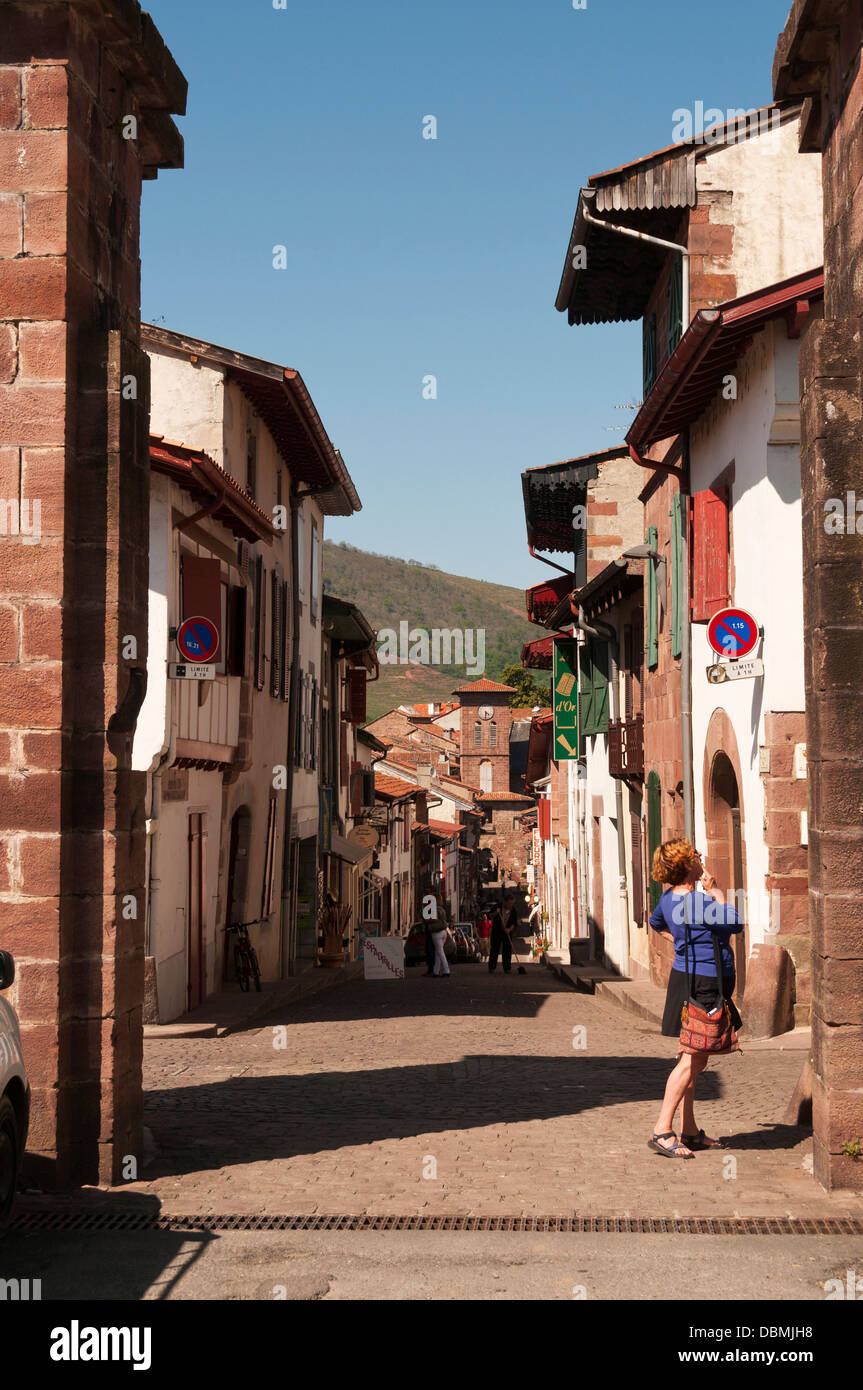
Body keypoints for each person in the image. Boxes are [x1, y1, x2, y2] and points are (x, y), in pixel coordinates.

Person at [647, 838, 743, 1159]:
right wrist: (715, 891)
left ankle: (688, 1130)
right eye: (696, 857)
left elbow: (655, 922)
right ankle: (663, 1130)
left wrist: (679, 943)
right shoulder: (697, 902)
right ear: (688, 866)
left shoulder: (669, 900)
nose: (701, 859)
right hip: (704, 985)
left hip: (687, 980)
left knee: (690, 1055)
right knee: (694, 1058)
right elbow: (734, 922)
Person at [488, 892, 517, 973]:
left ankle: (507, 968)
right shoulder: (497, 907)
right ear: (505, 902)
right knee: (494, 949)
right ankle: (492, 967)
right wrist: (496, 913)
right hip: (497, 931)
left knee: (507, 950)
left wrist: (509, 929)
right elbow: (490, 915)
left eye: (512, 903)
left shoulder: (513, 910)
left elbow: (514, 923)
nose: (511, 905)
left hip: (507, 932)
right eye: (509, 903)